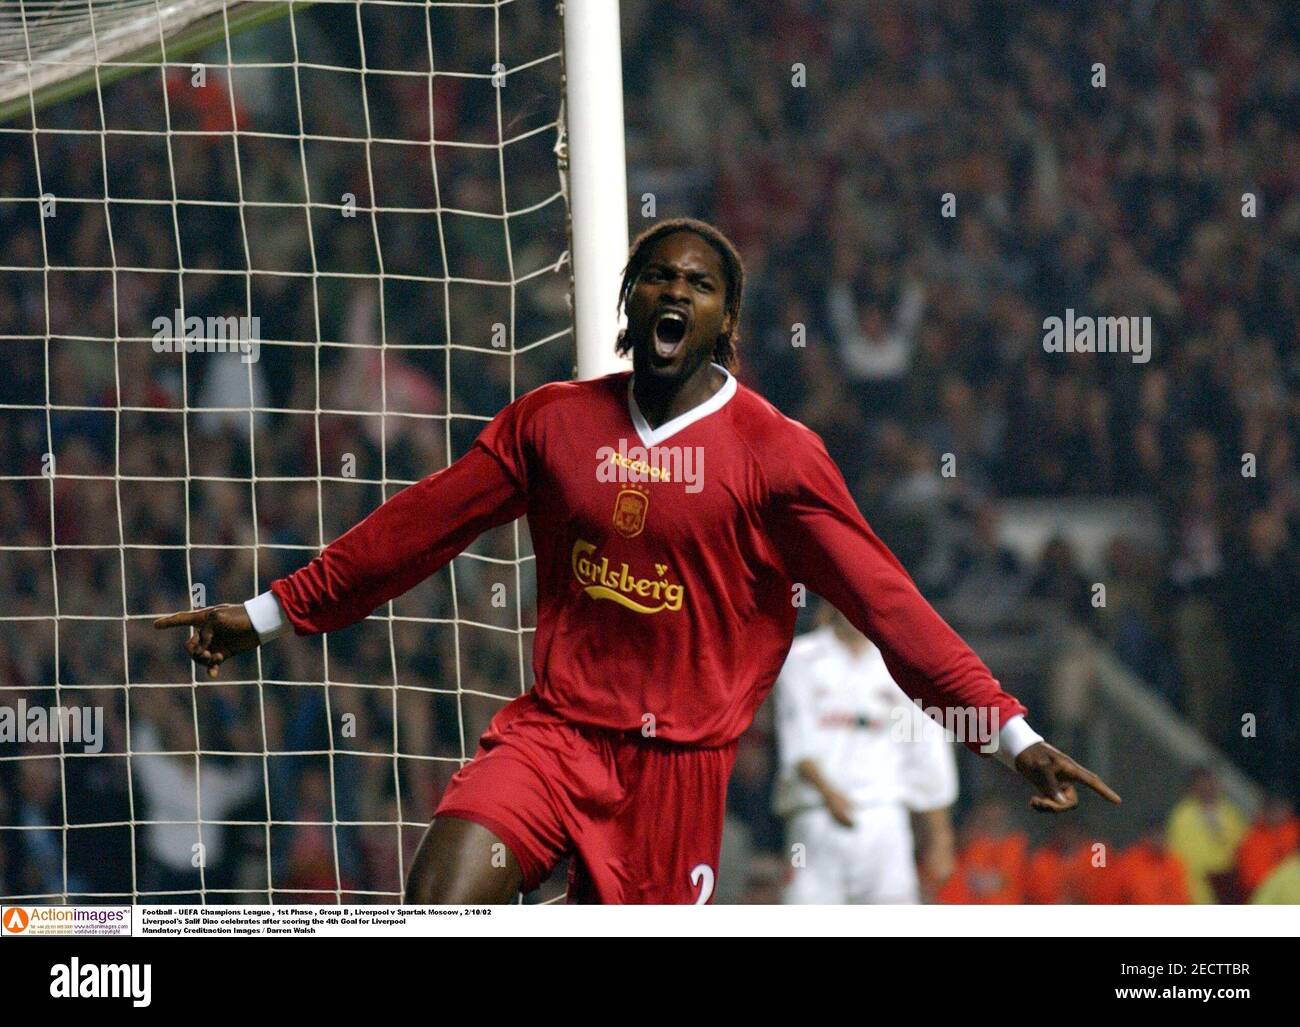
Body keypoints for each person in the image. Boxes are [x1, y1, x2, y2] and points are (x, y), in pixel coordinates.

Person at [156, 218, 1120, 904]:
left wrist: (1009, 732)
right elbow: (421, 526)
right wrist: (273, 610)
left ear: (725, 320)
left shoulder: (777, 456)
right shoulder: (555, 423)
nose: (674, 293)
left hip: (678, 777)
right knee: (439, 900)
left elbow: (890, 605)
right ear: (628, 298)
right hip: (555, 736)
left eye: (698, 284)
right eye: (657, 277)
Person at [775, 605, 957, 903]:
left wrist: (940, 836)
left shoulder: (902, 662)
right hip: (816, 817)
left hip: (884, 818)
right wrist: (828, 793)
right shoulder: (801, 657)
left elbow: (925, 750)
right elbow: (796, 741)